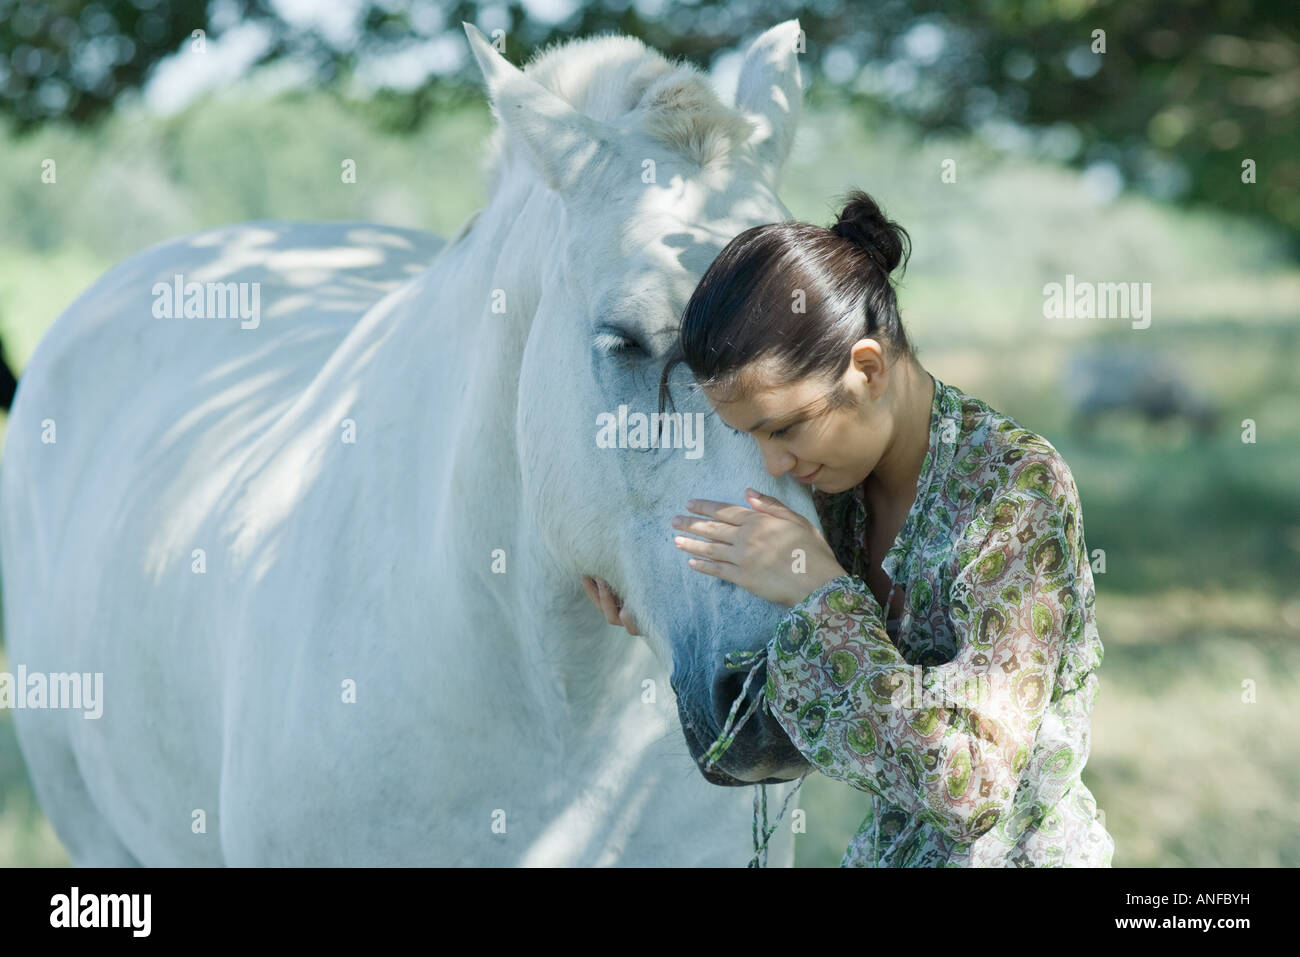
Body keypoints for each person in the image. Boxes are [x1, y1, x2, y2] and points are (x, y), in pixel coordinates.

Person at [583, 188, 1115, 867]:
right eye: (752, 437)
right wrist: (667, 606)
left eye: (786, 427)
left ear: (866, 368)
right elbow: (823, 693)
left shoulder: (1014, 491)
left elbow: (974, 786)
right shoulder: (833, 491)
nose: (776, 462)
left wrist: (817, 588)